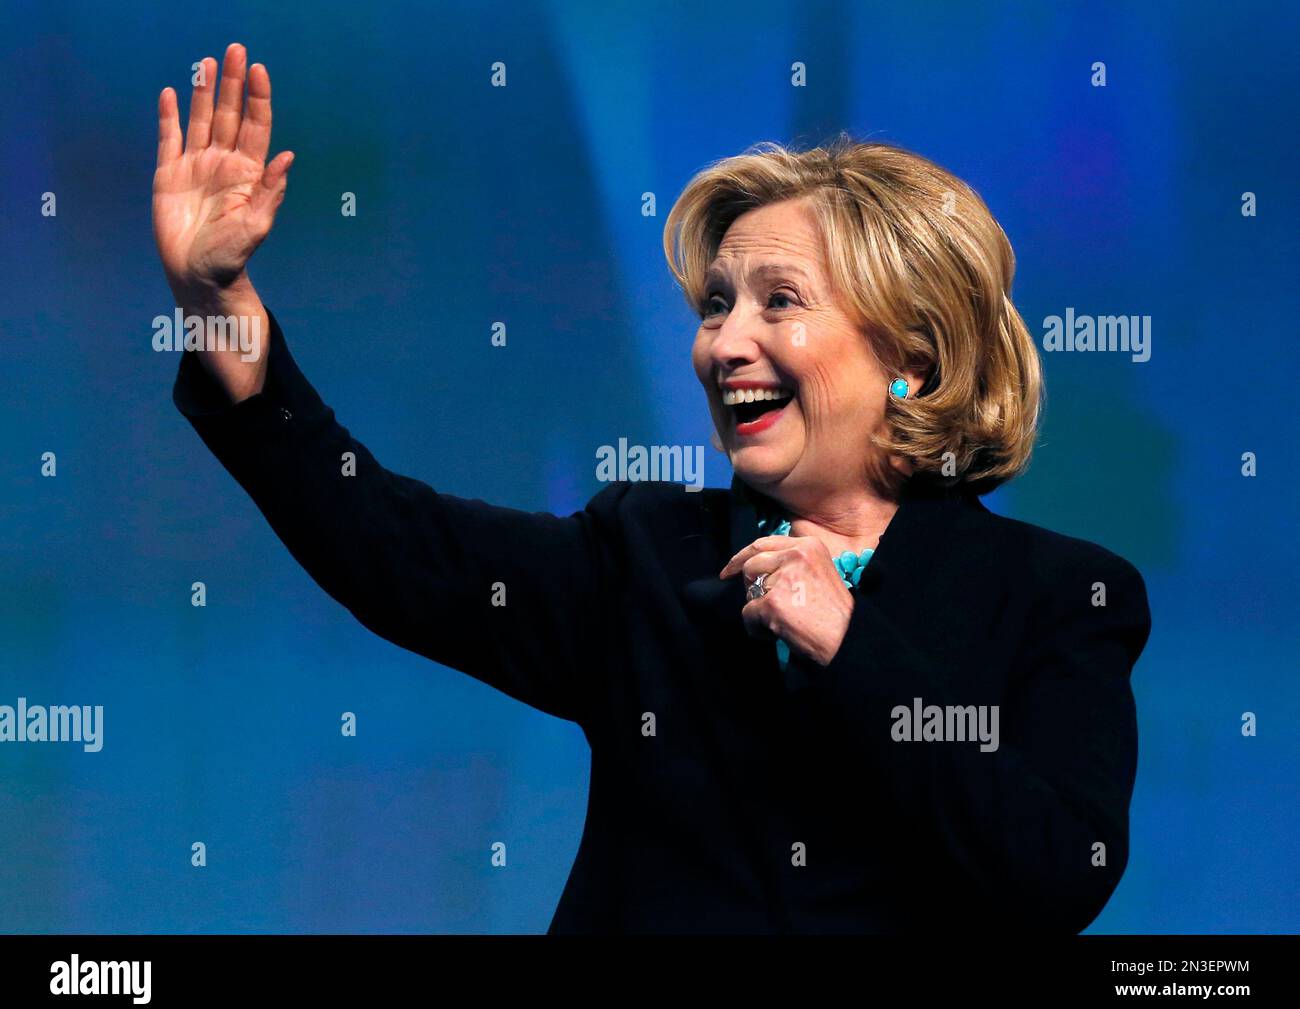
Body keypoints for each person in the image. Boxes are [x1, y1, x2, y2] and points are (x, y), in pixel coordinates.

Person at [154, 43, 1151, 933]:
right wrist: (219, 306)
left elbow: (1057, 873)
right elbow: (382, 538)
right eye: (715, 305)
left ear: (915, 359)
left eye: (779, 303)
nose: (723, 344)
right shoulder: (646, 553)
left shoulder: (1056, 597)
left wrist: (847, 645)